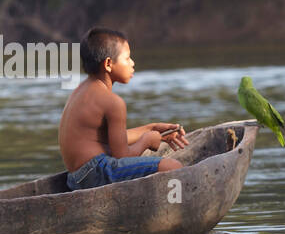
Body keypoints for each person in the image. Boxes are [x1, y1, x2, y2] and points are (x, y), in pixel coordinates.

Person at [58, 27, 188, 191]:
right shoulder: (113, 102)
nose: (132, 63)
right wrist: (146, 140)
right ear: (108, 64)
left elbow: (110, 140)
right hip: (96, 172)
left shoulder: (80, 91)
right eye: (127, 58)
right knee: (172, 167)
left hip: (76, 178)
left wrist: (152, 128)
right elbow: (122, 156)